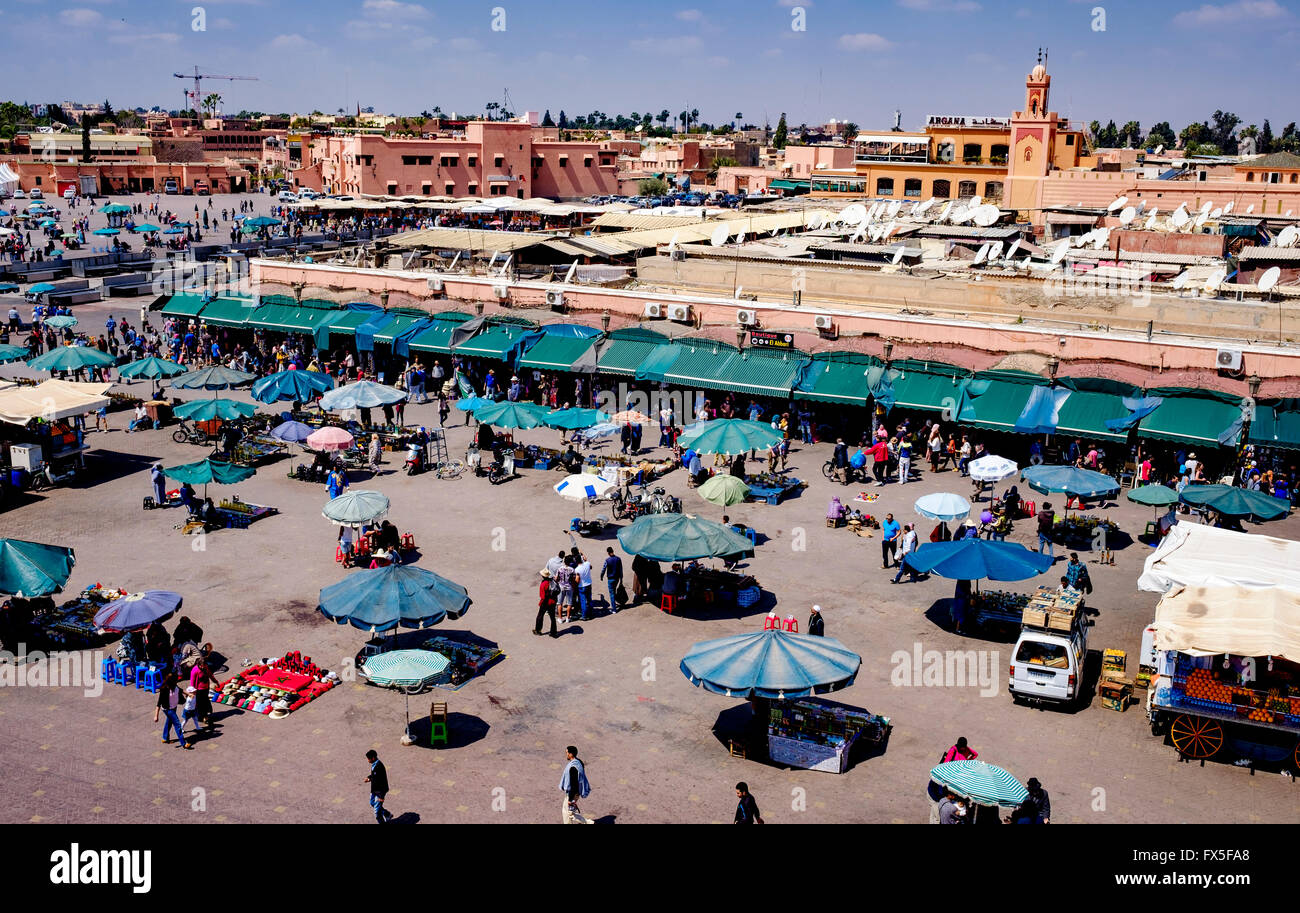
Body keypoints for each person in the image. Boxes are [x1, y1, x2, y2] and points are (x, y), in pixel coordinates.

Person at [154, 670, 192, 749]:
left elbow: (181, 690)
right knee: (177, 725)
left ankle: (165, 738)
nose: (177, 682)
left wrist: (189, 694)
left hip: (173, 707)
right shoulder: (164, 690)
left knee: (169, 722)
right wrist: (156, 716)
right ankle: (183, 743)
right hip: (168, 709)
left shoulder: (175, 686)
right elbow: (158, 703)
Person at [560, 745, 594, 824]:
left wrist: (571, 799)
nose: (566, 754)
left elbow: (574, 784)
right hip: (576, 792)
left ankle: (588, 823)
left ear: (571, 754)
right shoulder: (579, 762)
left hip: (573, 793)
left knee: (569, 813)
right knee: (567, 812)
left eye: (567, 753)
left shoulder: (573, 768)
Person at [364, 749, 394, 823]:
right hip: (374, 790)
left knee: (377, 812)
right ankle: (387, 814)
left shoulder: (379, 766)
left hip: (380, 792)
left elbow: (382, 782)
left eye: (368, 759)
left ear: (373, 758)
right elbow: (374, 776)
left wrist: (381, 796)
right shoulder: (374, 765)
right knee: (372, 803)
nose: (367, 760)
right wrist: (369, 778)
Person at [534, 568, 559, 637]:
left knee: (540, 616)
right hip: (553, 602)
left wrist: (540, 603)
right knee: (552, 617)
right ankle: (553, 632)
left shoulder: (543, 584)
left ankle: (538, 630)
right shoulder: (552, 581)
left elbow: (542, 596)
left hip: (545, 602)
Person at [600, 547, 623, 613]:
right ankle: (614, 604)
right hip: (617, 578)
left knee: (612, 593)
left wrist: (601, 576)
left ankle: (614, 609)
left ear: (608, 552)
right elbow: (621, 569)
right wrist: (621, 579)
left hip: (610, 579)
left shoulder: (607, 560)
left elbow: (604, 569)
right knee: (614, 591)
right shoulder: (618, 559)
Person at [574, 552, 593, 622]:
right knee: (589, 599)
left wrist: (574, 584)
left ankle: (584, 616)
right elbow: (586, 560)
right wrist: (582, 553)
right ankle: (590, 613)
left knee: (583, 601)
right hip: (589, 584)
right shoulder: (587, 564)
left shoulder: (577, 569)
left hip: (582, 586)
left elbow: (577, 579)